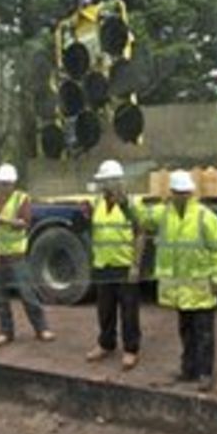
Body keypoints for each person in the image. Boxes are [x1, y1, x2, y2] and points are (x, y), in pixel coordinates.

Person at [141, 169, 217, 393]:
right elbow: (142, 217)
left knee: (204, 333)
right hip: (181, 291)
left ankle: (205, 374)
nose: (182, 196)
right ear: (171, 193)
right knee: (187, 331)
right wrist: (125, 202)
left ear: (191, 192)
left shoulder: (204, 217)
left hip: (200, 288)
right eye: (178, 192)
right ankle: (188, 369)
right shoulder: (165, 215)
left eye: (185, 192)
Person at [0, 163, 55, 347]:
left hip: (15, 256)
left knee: (27, 294)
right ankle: (5, 332)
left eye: (8, 183)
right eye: (2, 183)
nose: (5, 186)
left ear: (14, 183)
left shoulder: (21, 198)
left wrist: (2, 220)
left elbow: (24, 222)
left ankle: (41, 328)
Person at [85, 159, 142, 370]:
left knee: (129, 310)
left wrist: (136, 264)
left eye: (106, 182)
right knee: (105, 309)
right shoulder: (98, 203)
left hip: (124, 263)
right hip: (103, 264)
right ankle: (106, 343)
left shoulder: (131, 203)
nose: (103, 186)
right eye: (102, 182)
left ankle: (131, 349)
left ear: (117, 181)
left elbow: (141, 233)